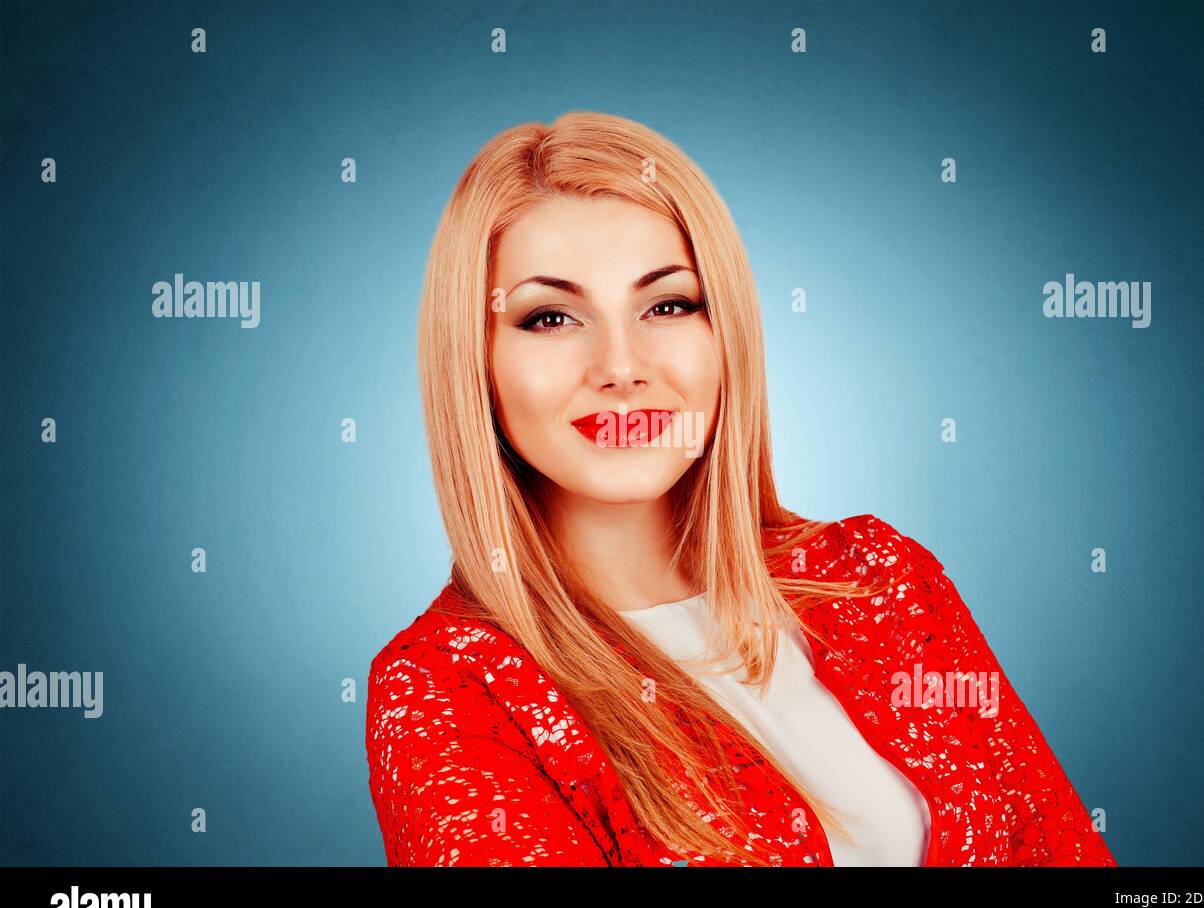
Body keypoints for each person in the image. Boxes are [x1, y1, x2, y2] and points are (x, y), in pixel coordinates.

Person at [364, 111, 1117, 867]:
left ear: (726, 335)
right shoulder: (446, 691)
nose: (621, 366)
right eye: (551, 317)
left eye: (667, 305)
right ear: (477, 362)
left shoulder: (880, 578)